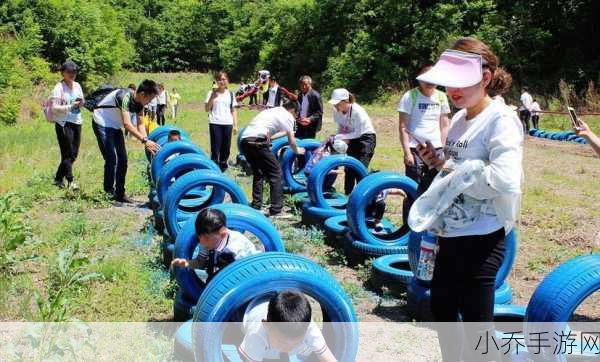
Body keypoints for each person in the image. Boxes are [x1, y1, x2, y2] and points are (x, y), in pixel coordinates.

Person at [414, 37, 522, 361]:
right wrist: (437, 161)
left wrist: (451, 168)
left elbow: (504, 180)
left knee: (477, 329)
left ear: (486, 78)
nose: (453, 91)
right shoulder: (460, 120)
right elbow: (454, 170)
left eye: (462, 83)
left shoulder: (501, 120)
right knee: (442, 309)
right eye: (449, 84)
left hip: (483, 237)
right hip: (452, 232)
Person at [92, 79, 161, 203]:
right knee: (111, 158)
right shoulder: (124, 96)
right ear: (142, 94)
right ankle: (108, 192)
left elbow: (140, 124)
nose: (149, 103)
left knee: (123, 159)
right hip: (102, 121)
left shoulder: (140, 103)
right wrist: (145, 141)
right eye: (149, 99)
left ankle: (120, 193)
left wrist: (147, 142)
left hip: (115, 125)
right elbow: (128, 124)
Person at [240, 100, 304, 217]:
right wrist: (297, 151)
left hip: (245, 140)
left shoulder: (273, 111)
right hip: (258, 142)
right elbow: (292, 141)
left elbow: (271, 136)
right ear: (293, 111)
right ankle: (276, 210)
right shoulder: (289, 117)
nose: (296, 117)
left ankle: (256, 205)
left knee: (258, 172)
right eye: (297, 114)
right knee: (276, 173)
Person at [238, 290, 337, 362]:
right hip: (248, 306)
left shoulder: (308, 327)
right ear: (266, 325)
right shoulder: (257, 334)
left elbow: (327, 357)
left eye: (296, 343)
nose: (288, 349)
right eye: (282, 342)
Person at [398, 65, 451, 188]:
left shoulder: (441, 96)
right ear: (419, 79)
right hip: (415, 148)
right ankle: (410, 207)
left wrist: (443, 149)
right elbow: (403, 127)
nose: (429, 83)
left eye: (433, 80)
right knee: (413, 185)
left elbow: (445, 125)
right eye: (426, 79)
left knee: (435, 185)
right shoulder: (410, 96)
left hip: (436, 148)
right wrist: (407, 152)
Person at [170, 208, 258, 282]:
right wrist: (187, 263)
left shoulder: (236, 247)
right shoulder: (206, 242)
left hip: (246, 273)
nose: (201, 242)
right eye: (199, 238)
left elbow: (246, 276)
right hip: (221, 272)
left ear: (223, 234)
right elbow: (201, 262)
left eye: (206, 238)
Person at [329, 88, 377, 195]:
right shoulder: (336, 111)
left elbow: (358, 133)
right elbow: (341, 127)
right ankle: (347, 195)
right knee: (349, 168)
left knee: (360, 168)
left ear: (345, 101)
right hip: (351, 138)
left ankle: (364, 196)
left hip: (365, 138)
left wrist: (340, 136)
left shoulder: (358, 111)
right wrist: (339, 139)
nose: (335, 106)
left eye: (337, 103)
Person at [50, 60, 85, 190]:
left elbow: (82, 100)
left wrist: (81, 103)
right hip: (63, 123)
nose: (72, 74)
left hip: (77, 121)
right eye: (69, 72)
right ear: (63, 73)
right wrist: (70, 106)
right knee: (68, 153)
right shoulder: (59, 88)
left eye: (74, 72)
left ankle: (58, 178)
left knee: (74, 154)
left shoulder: (77, 85)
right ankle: (70, 181)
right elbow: (54, 108)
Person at [205, 71, 238, 171]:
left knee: (226, 148)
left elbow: (233, 110)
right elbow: (207, 109)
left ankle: (223, 166)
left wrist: (235, 125)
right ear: (216, 81)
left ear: (227, 81)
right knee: (215, 148)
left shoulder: (231, 94)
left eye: (224, 79)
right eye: (219, 79)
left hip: (228, 123)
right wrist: (212, 97)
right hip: (215, 123)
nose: (222, 81)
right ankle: (214, 167)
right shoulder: (211, 93)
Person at [287, 75, 323, 139]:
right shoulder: (300, 95)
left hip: (310, 126)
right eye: (301, 85)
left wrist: (309, 119)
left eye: (306, 85)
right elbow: (298, 107)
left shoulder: (315, 96)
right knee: (296, 140)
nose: (304, 87)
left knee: (307, 143)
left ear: (310, 84)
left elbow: (319, 112)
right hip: (299, 123)